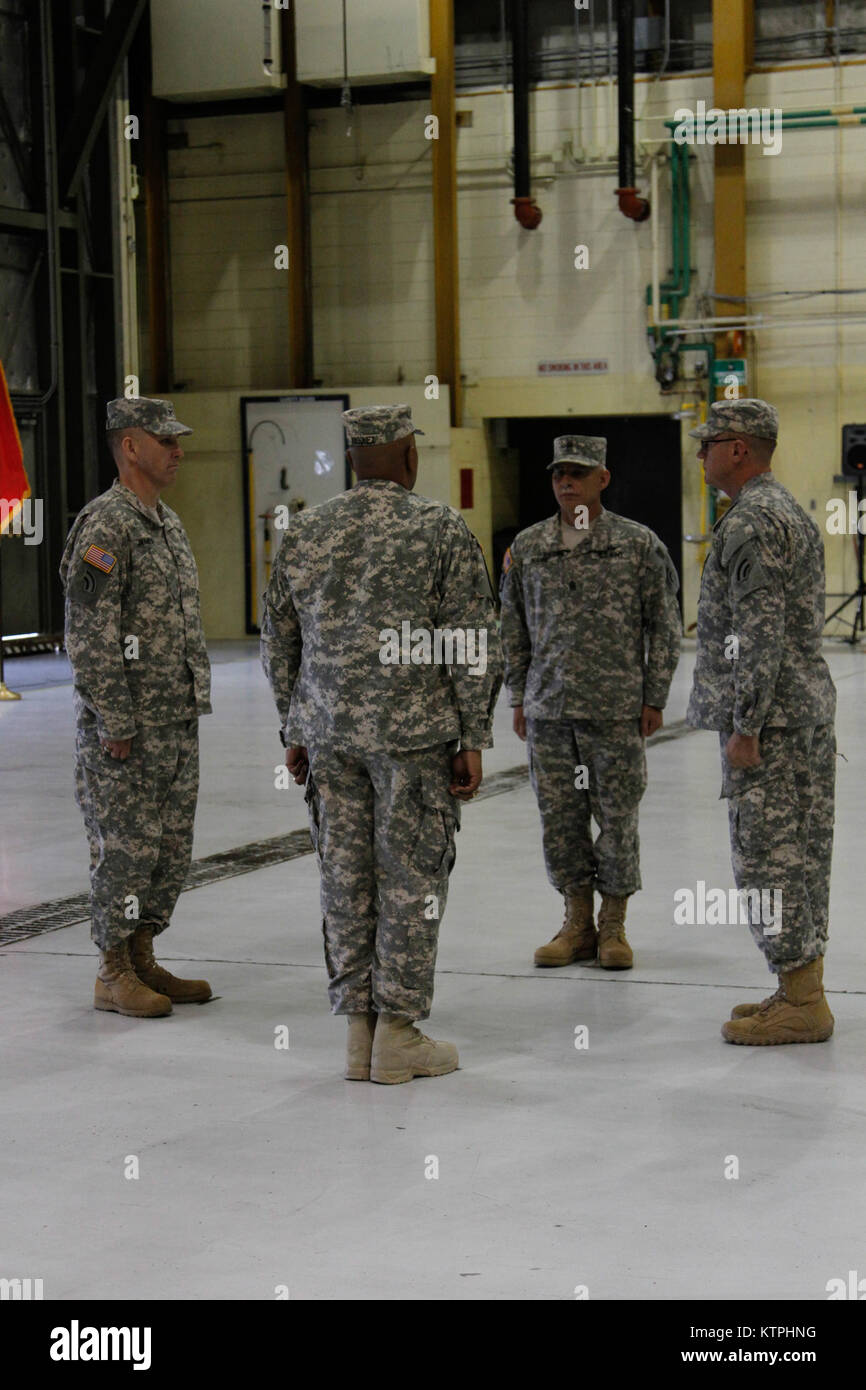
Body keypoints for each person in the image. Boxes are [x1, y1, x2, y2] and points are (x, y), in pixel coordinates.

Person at [261, 404, 503, 1084]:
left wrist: (295, 725)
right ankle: (398, 1034)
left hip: (330, 737)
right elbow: (472, 641)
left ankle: (357, 1035)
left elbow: (278, 640)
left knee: (345, 879)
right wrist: (473, 734)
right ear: (406, 457)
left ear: (351, 459)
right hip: (413, 739)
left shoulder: (305, 532)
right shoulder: (438, 528)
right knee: (410, 879)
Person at [499, 434, 681, 969]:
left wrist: (655, 695)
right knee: (560, 818)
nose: (566, 483)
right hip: (549, 709)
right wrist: (517, 696)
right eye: (559, 474)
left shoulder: (638, 544)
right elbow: (512, 627)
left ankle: (614, 927)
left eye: (578, 473)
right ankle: (576, 922)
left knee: (618, 817)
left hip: (616, 708)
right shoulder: (529, 548)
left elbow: (664, 624)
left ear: (602, 478)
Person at [686, 399, 837, 1044]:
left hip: (771, 724)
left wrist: (745, 724)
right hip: (802, 712)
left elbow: (759, 633)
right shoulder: (787, 511)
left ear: (739, 448)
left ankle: (803, 1003)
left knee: (767, 861)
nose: (701, 454)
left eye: (709, 443)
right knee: (800, 855)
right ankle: (798, 987)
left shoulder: (753, 521)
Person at [60, 396, 212, 1018]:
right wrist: (115, 717)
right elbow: (89, 631)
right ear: (130, 446)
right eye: (165, 440)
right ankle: (112, 970)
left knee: (168, 848)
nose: (178, 450)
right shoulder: (105, 525)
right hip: (127, 730)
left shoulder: (166, 522)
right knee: (124, 848)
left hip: (174, 718)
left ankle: (143, 953)